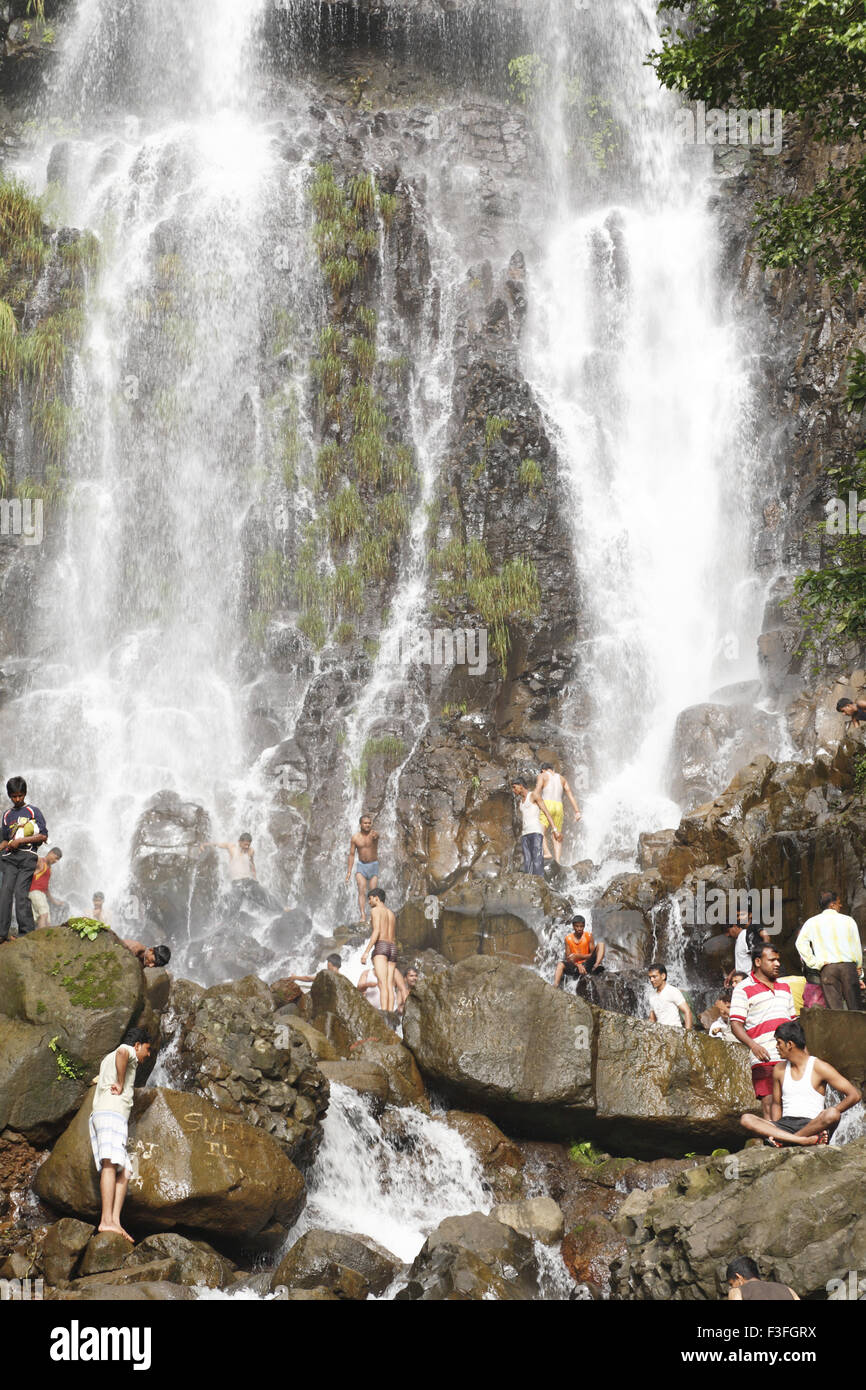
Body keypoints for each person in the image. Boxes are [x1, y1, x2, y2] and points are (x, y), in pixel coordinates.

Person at [739, 1019, 861, 1147]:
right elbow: (776, 1104)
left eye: (779, 1043)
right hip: (784, 1124)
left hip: (813, 1125)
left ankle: (787, 1140)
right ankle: (799, 1140)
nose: (776, 1047)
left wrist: (823, 1116)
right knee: (746, 1119)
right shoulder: (779, 1070)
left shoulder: (819, 1067)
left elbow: (854, 1095)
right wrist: (776, 1130)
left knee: (832, 1113)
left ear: (790, 1044)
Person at [89, 1026, 152, 1242]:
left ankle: (115, 1220)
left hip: (112, 1115)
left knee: (125, 1170)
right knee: (110, 1164)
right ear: (137, 1045)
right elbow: (122, 1053)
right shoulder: (127, 1050)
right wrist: (121, 1081)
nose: (149, 1054)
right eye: (148, 1049)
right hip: (110, 1113)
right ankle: (106, 1219)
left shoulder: (107, 1059)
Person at [729, 944, 796, 1119]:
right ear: (758, 961)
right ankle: (773, 1143)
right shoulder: (743, 988)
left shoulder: (785, 987)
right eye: (772, 960)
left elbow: (793, 1023)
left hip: (789, 1056)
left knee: (790, 1102)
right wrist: (753, 1046)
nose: (777, 964)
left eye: (778, 960)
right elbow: (735, 1024)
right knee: (768, 1103)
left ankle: (789, 1141)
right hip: (763, 1055)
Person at [795, 890, 864, 1012]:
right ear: (832, 905)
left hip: (827, 969)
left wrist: (815, 963)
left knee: (835, 1012)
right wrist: (858, 966)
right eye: (838, 903)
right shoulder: (848, 920)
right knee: (856, 1009)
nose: (840, 905)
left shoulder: (812, 922)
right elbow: (856, 945)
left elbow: (800, 943)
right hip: (848, 968)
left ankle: (839, 1031)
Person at [0, 777, 48, 943]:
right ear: (9, 795)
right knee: (5, 893)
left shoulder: (33, 812)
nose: (17, 799)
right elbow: (5, 840)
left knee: (21, 893)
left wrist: (20, 841)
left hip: (27, 857)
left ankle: (25, 933)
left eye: (20, 795)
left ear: (25, 794)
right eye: (14, 796)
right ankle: (1, 933)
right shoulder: (6, 816)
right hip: (9, 859)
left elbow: (43, 835)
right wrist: (6, 845)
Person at [200, 832, 280, 913]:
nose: (247, 846)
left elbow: (252, 865)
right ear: (239, 842)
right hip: (237, 882)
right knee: (234, 903)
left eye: (248, 844)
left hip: (249, 881)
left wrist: (255, 878)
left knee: (264, 894)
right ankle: (225, 920)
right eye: (245, 844)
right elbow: (216, 844)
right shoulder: (231, 847)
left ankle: (281, 910)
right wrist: (203, 845)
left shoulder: (251, 851)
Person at [534, 763, 582, 864]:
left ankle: (547, 853)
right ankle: (558, 861)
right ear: (553, 769)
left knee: (539, 830)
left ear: (543, 770)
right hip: (559, 806)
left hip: (547, 804)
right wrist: (577, 811)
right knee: (557, 835)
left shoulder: (542, 776)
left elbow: (537, 791)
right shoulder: (562, 778)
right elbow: (570, 795)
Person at [511, 777, 558, 877]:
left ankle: (539, 882)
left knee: (537, 859)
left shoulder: (533, 796)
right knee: (527, 861)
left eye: (514, 787)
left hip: (536, 832)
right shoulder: (520, 802)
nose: (513, 790)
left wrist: (555, 829)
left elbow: (546, 812)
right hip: (525, 834)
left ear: (521, 786)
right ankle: (529, 884)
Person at [361, 888, 397, 1014]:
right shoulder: (391, 913)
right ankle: (391, 1013)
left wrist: (366, 952)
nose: (369, 902)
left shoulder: (375, 910)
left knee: (382, 984)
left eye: (370, 899)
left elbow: (376, 931)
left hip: (381, 946)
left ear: (376, 898)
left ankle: (384, 1014)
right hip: (392, 947)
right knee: (390, 985)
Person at [345, 815, 380, 923]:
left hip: (373, 866)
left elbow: (376, 836)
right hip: (361, 866)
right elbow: (351, 855)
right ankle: (363, 915)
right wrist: (349, 871)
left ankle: (372, 915)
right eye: (365, 823)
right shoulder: (355, 838)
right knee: (361, 889)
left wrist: (376, 836)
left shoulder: (373, 834)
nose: (367, 825)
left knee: (373, 892)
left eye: (369, 823)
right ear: (360, 824)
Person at [553, 916, 605, 988]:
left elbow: (592, 955)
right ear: (573, 926)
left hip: (587, 964)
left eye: (581, 926)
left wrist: (578, 956)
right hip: (575, 966)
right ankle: (555, 986)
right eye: (577, 926)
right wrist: (578, 965)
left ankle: (596, 965)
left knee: (601, 944)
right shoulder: (568, 938)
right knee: (560, 964)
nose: (579, 929)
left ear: (584, 926)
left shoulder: (588, 936)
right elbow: (568, 958)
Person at [724, 909, 769, 986]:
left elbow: (755, 955)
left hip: (749, 980)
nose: (727, 935)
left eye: (728, 931)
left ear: (734, 926)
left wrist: (753, 976)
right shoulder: (740, 938)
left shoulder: (745, 935)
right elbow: (742, 961)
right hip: (743, 980)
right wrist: (731, 974)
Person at [726, 1257, 799, 1301]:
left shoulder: (736, 1292)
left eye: (732, 1284)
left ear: (739, 1278)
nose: (732, 1287)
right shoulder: (788, 1290)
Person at [28, 846, 64, 930]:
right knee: (43, 915)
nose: (56, 861)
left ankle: (46, 939)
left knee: (47, 920)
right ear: (51, 853)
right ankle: (41, 940)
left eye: (58, 860)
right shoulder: (40, 861)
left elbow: (46, 888)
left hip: (42, 894)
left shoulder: (49, 868)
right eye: (56, 858)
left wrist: (54, 901)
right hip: (35, 892)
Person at [648, 963, 692, 1030]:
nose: (651, 980)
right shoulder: (652, 996)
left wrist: (687, 1035)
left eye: (654, 977)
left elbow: (687, 1011)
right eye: (650, 977)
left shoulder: (673, 991)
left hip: (675, 1032)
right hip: (660, 1035)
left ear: (663, 976)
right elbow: (652, 1019)